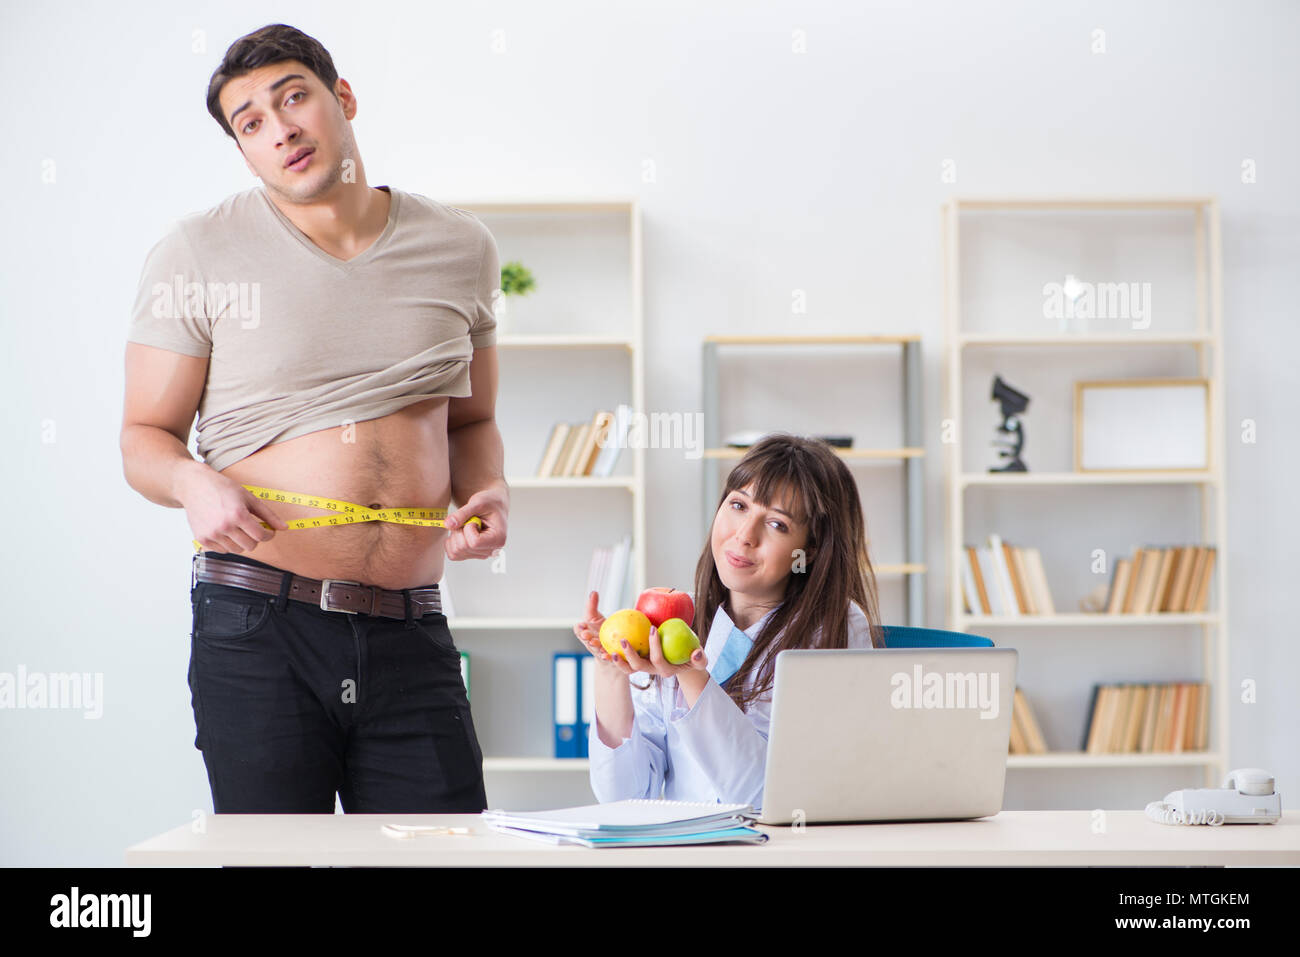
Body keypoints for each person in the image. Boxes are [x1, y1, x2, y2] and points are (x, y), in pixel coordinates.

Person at [119, 24, 508, 814]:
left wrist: (489, 491)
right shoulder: (197, 253)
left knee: (444, 861)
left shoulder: (461, 246)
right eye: (251, 123)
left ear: (344, 98)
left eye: (294, 97)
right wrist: (193, 482)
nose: (281, 129)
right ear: (243, 150)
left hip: (412, 625)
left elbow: (471, 423)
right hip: (260, 625)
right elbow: (142, 437)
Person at [573, 433, 885, 808]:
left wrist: (690, 675)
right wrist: (611, 671)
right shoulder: (675, 619)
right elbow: (623, 797)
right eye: (738, 505)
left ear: (812, 549)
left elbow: (766, 799)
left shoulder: (837, 627)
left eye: (777, 525)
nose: (744, 535)